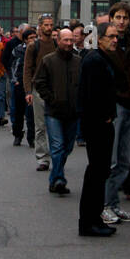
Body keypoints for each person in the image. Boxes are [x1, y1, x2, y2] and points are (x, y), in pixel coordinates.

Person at [99, 3, 130, 223]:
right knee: (113, 160)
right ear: (112, 18)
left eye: (125, 17)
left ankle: (113, 204)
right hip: (115, 104)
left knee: (125, 159)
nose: (122, 21)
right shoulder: (106, 45)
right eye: (118, 17)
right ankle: (105, 205)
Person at [78, 24, 120, 236]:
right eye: (111, 36)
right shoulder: (95, 61)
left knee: (100, 171)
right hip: (97, 125)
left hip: (101, 122)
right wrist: (104, 117)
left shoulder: (102, 59)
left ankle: (94, 219)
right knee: (96, 172)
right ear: (99, 38)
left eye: (116, 36)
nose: (115, 40)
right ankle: (89, 222)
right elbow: (92, 96)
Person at [35, 27, 81, 195]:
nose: (69, 43)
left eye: (71, 40)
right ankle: (58, 179)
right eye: (65, 40)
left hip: (73, 112)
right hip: (54, 111)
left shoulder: (78, 61)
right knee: (58, 146)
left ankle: (55, 177)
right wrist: (51, 98)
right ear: (59, 41)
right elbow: (39, 81)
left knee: (67, 147)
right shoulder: (48, 60)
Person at [22, 13, 57, 171]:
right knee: (40, 125)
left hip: (56, 88)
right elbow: (27, 70)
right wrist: (28, 90)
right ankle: (43, 158)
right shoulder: (33, 46)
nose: (49, 28)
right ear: (40, 27)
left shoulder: (57, 44)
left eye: (51, 25)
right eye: (46, 25)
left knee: (56, 124)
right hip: (38, 89)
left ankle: (56, 155)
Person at [8, 26, 36, 147]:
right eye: (30, 38)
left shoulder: (38, 49)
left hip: (34, 83)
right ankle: (18, 135)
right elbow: (12, 65)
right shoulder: (17, 50)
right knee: (18, 111)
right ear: (25, 40)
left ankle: (32, 137)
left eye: (35, 37)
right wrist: (15, 80)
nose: (33, 40)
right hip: (20, 82)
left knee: (31, 113)